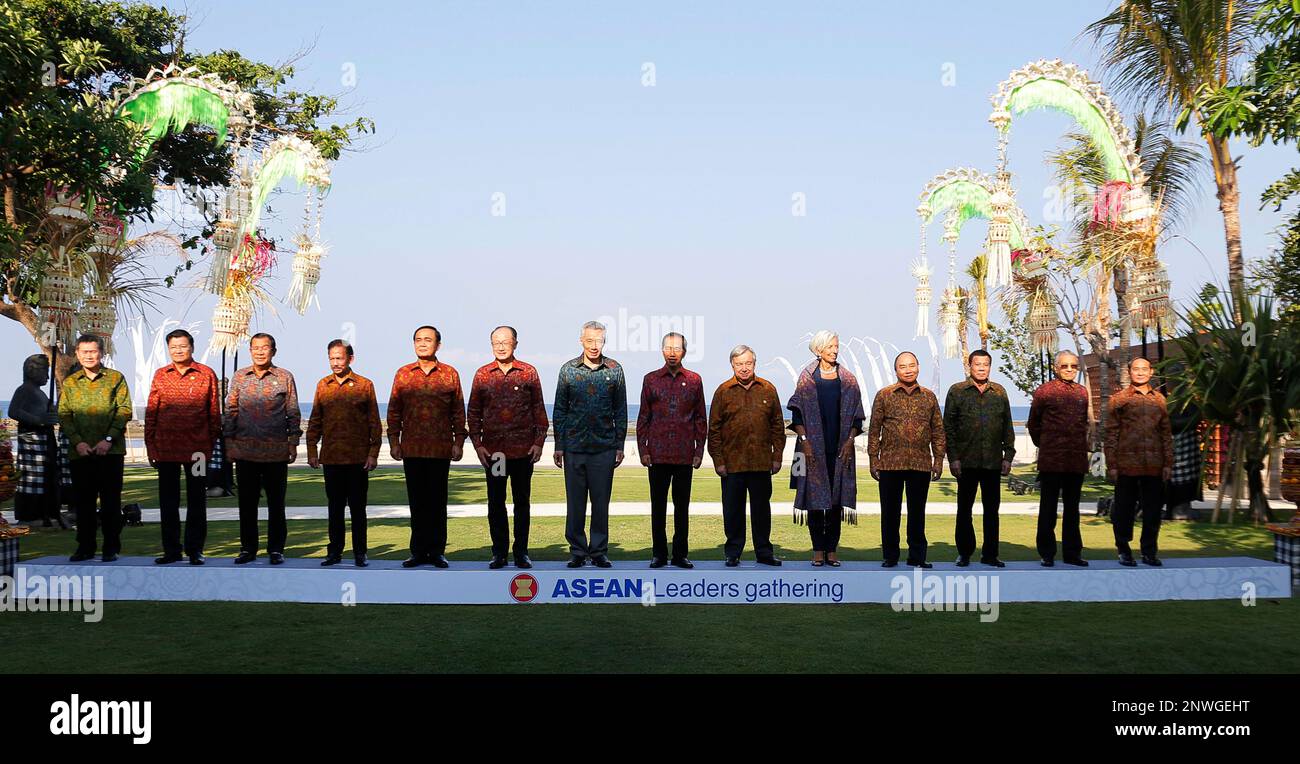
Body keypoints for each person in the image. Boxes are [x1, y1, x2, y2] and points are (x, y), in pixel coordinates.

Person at [467, 326, 548, 569]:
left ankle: (521, 552)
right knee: (496, 502)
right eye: (496, 342)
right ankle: (499, 553)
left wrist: (538, 442)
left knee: (522, 502)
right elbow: (473, 413)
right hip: (496, 453)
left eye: (505, 342)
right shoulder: (482, 374)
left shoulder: (528, 372)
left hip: (523, 450)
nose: (501, 346)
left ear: (515, 343)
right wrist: (478, 445)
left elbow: (539, 410)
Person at [388, 325, 466, 568]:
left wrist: (459, 442)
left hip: (440, 449)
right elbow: (394, 411)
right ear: (413, 344)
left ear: (438, 345)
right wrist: (393, 441)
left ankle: (437, 552)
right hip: (412, 448)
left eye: (428, 340)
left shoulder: (450, 374)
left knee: (437, 502)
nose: (422, 343)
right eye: (418, 340)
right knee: (417, 503)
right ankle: (418, 552)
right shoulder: (403, 374)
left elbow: (458, 411)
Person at [553, 321, 627, 569]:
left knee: (600, 504)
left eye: (599, 341)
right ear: (581, 340)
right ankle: (577, 550)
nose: (594, 346)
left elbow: (620, 410)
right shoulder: (568, 371)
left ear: (604, 341)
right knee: (575, 504)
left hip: (604, 448)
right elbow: (560, 409)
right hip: (574, 447)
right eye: (589, 340)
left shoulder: (615, 370)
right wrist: (559, 444)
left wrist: (619, 445)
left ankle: (598, 551)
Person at [787, 331, 864, 567]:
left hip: (840, 449)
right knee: (814, 501)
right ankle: (817, 549)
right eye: (830, 346)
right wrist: (805, 441)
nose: (834, 350)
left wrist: (851, 440)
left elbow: (856, 418)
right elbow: (797, 414)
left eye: (836, 346)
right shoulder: (806, 377)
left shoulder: (848, 379)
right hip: (810, 449)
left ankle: (831, 550)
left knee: (835, 501)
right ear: (818, 349)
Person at [224, 333, 302, 566]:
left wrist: (293, 443)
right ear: (250, 351)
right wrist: (228, 442)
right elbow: (231, 411)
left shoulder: (284, 377)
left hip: (276, 452)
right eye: (255, 348)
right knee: (247, 505)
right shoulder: (239, 377)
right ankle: (248, 549)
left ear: (273, 351)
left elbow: (293, 411)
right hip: (245, 452)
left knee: (276, 504)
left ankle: (276, 549)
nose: (259, 352)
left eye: (264, 348)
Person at [145, 329, 221, 565]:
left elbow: (214, 413)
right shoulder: (160, 375)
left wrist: (209, 445)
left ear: (192, 347)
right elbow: (151, 412)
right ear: (168, 349)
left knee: (197, 500)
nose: (178, 350)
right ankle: (171, 550)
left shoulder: (206, 374)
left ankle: (195, 550)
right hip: (166, 450)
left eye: (183, 346)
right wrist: (150, 445)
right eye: (174, 347)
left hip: (198, 451)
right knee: (168, 501)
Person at [708, 344, 785, 567]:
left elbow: (777, 425)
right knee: (733, 511)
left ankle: (764, 552)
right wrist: (718, 461)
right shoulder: (723, 391)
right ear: (732, 365)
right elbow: (713, 430)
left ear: (754, 363)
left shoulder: (768, 389)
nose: (744, 368)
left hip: (762, 463)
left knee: (762, 511)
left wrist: (777, 455)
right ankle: (733, 552)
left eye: (748, 363)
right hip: (732, 465)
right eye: (739, 364)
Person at [306, 339, 382, 567]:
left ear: (350, 358)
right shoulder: (323, 385)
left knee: (358, 509)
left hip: (358, 459)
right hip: (331, 458)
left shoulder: (365, 385)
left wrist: (373, 453)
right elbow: (315, 420)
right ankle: (334, 552)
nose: (335, 363)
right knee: (335, 509)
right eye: (332, 358)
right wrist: (311, 449)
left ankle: (360, 552)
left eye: (339, 358)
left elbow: (374, 422)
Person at [867, 351, 945, 568]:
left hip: (920, 464)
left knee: (917, 513)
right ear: (896, 370)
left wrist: (938, 460)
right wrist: (874, 459)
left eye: (911, 365)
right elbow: (874, 430)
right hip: (890, 463)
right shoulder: (884, 395)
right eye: (903, 366)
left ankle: (917, 557)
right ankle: (890, 556)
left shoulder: (929, 396)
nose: (908, 370)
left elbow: (938, 430)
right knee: (890, 513)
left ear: (918, 367)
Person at [59, 335, 132, 562]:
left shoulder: (115, 379)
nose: (89, 356)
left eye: (93, 351)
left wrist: (108, 439)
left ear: (102, 353)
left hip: (110, 452)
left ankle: (111, 546)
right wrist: (78, 442)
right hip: (80, 453)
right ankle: (85, 546)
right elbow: (64, 415)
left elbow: (124, 410)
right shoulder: (70, 383)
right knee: (83, 503)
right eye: (84, 352)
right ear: (77, 354)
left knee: (111, 502)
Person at [637, 332, 706, 569]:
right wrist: (643, 449)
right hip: (656, 455)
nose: (672, 352)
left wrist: (699, 452)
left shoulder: (695, 380)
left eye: (677, 348)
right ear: (662, 350)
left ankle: (680, 554)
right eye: (668, 348)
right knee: (658, 507)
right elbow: (643, 417)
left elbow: (700, 419)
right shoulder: (651, 379)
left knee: (682, 507)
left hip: (685, 455)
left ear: (684, 351)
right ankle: (659, 554)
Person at [943, 349, 1015, 567]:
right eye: (978, 364)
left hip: (993, 462)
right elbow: (948, 428)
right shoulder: (957, 391)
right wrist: (953, 458)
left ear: (990, 367)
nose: (982, 368)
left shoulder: (999, 392)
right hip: (965, 463)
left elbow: (1007, 426)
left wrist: (1008, 456)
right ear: (970, 366)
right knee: (964, 509)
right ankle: (964, 553)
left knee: (992, 511)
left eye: (986, 364)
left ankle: (990, 554)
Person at [1105, 356, 1173, 567]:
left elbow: (1166, 433)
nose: (1140, 373)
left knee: (1153, 511)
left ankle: (1149, 552)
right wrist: (1112, 464)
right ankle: (1123, 550)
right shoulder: (1119, 399)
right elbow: (1110, 434)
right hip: (1126, 464)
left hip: (1154, 464)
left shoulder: (1160, 400)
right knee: (1124, 510)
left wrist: (1168, 462)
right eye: (1136, 369)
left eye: (1144, 369)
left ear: (1151, 372)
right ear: (1130, 372)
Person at [1027, 350, 1091, 567]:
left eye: (1074, 366)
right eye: (1065, 366)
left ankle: (1073, 553)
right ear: (1056, 368)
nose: (1070, 369)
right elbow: (1034, 424)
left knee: (1073, 510)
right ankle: (1047, 553)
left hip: (1076, 460)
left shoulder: (1083, 392)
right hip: (1052, 460)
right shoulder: (1044, 392)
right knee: (1048, 508)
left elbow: (1084, 424)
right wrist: (1045, 444)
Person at [8, 354, 68, 526]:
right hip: (32, 444)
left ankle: (47, 512)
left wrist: (52, 413)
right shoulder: (24, 390)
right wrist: (38, 420)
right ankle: (31, 513)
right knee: (33, 479)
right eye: (45, 372)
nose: (48, 377)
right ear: (33, 371)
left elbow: (46, 414)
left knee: (48, 476)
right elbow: (13, 411)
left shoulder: (39, 393)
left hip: (45, 441)